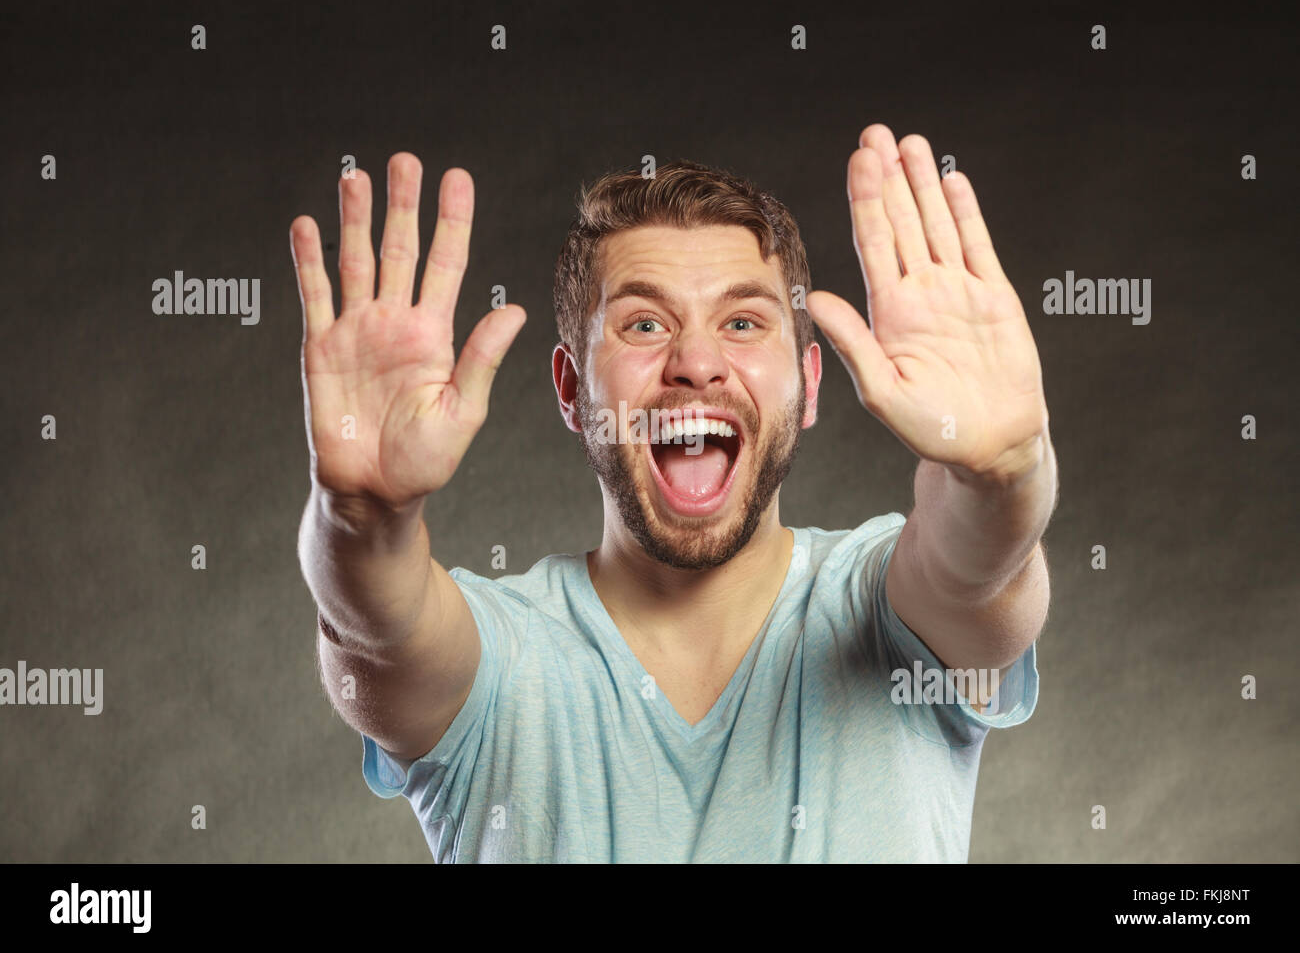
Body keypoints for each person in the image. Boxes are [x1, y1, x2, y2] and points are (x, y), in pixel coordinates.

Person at [290, 124, 1057, 862]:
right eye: (646, 323)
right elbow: (377, 631)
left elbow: (981, 562)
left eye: (745, 322)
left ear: (809, 385)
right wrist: (361, 519)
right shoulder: (498, 664)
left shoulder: (890, 620)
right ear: (572, 388)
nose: (697, 361)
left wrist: (1004, 473)